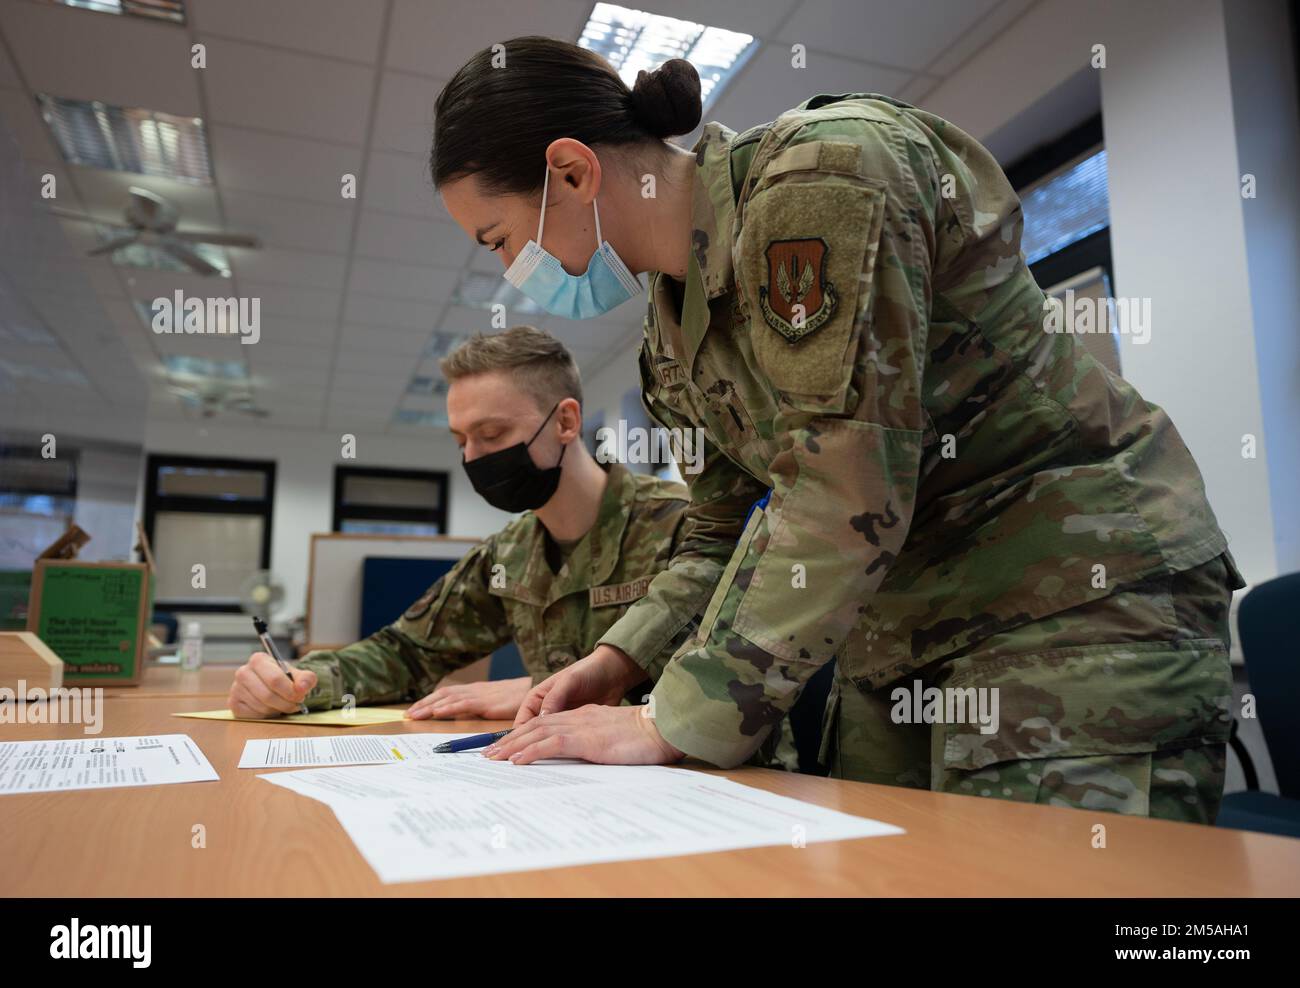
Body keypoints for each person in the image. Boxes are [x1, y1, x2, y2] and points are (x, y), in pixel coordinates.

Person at [431, 37, 1245, 823]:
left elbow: (841, 489)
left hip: (1070, 595)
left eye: (500, 238)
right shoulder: (668, 329)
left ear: (572, 171)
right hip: (901, 625)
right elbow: (717, 531)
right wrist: (619, 661)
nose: (515, 271)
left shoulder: (821, 178)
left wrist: (663, 721)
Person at [227, 327, 797, 772]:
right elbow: (406, 652)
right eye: (461, 441)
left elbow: (735, 684)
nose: (474, 458)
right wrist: (298, 682)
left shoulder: (690, 529)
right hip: (561, 789)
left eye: (493, 435)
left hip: (703, 785)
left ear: (566, 421)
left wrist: (531, 691)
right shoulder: (511, 552)